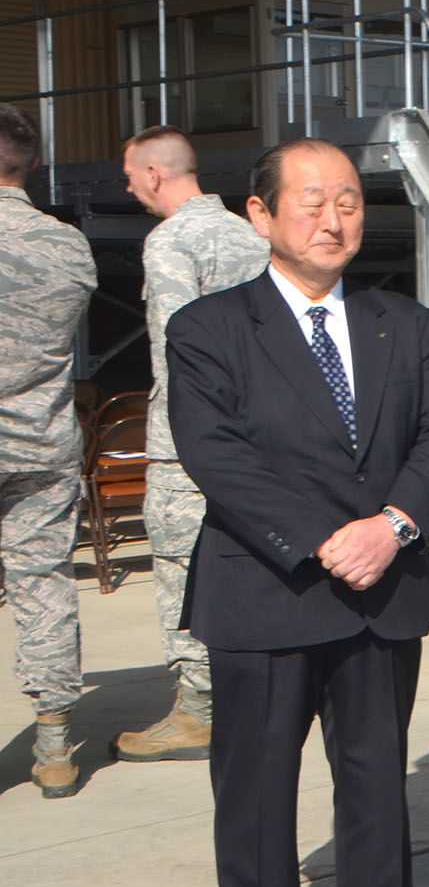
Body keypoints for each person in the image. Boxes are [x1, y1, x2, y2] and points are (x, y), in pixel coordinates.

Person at [165, 139, 429, 887]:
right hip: (268, 590)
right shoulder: (210, 329)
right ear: (260, 216)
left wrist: (395, 527)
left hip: (382, 591)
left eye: (348, 198)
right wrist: (325, 539)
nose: (334, 217)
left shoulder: (403, 323)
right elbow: (215, 454)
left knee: (376, 780)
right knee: (258, 793)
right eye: (310, 199)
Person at [111, 126, 268, 765]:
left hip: (188, 441)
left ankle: (199, 707)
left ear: (153, 174)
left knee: (182, 567)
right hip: (255, 432)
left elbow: (179, 349)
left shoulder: (171, 240)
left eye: (129, 174)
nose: (127, 187)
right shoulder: (246, 232)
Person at [0, 101, 97, 798]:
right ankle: (56, 744)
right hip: (42, 440)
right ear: (31, 163)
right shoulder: (69, 246)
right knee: (44, 583)